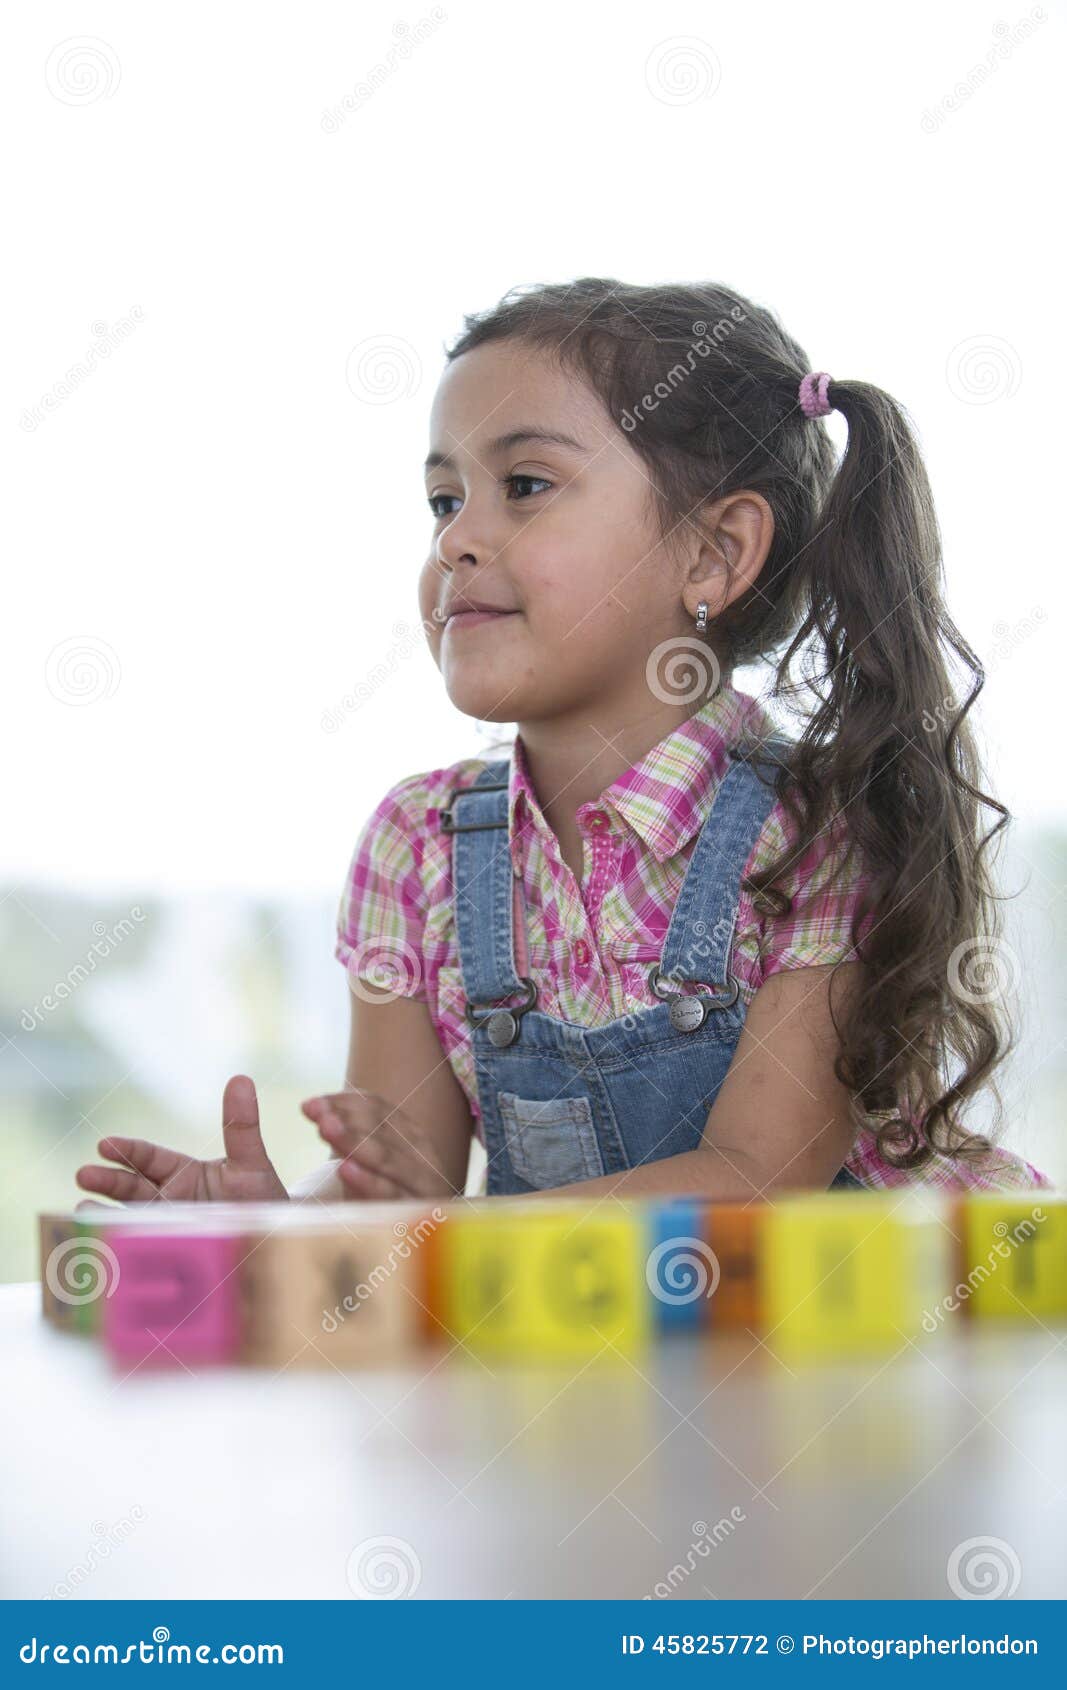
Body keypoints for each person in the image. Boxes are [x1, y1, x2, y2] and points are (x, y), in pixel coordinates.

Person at [75, 278, 1051, 1209]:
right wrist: (290, 1217)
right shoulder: (416, 846)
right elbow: (403, 1188)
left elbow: (753, 1184)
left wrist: (440, 1233)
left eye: (526, 484)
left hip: (869, 1355)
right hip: (621, 1358)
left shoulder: (814, 827)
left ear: (715, 553)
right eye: (443, 500)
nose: (456, 541)